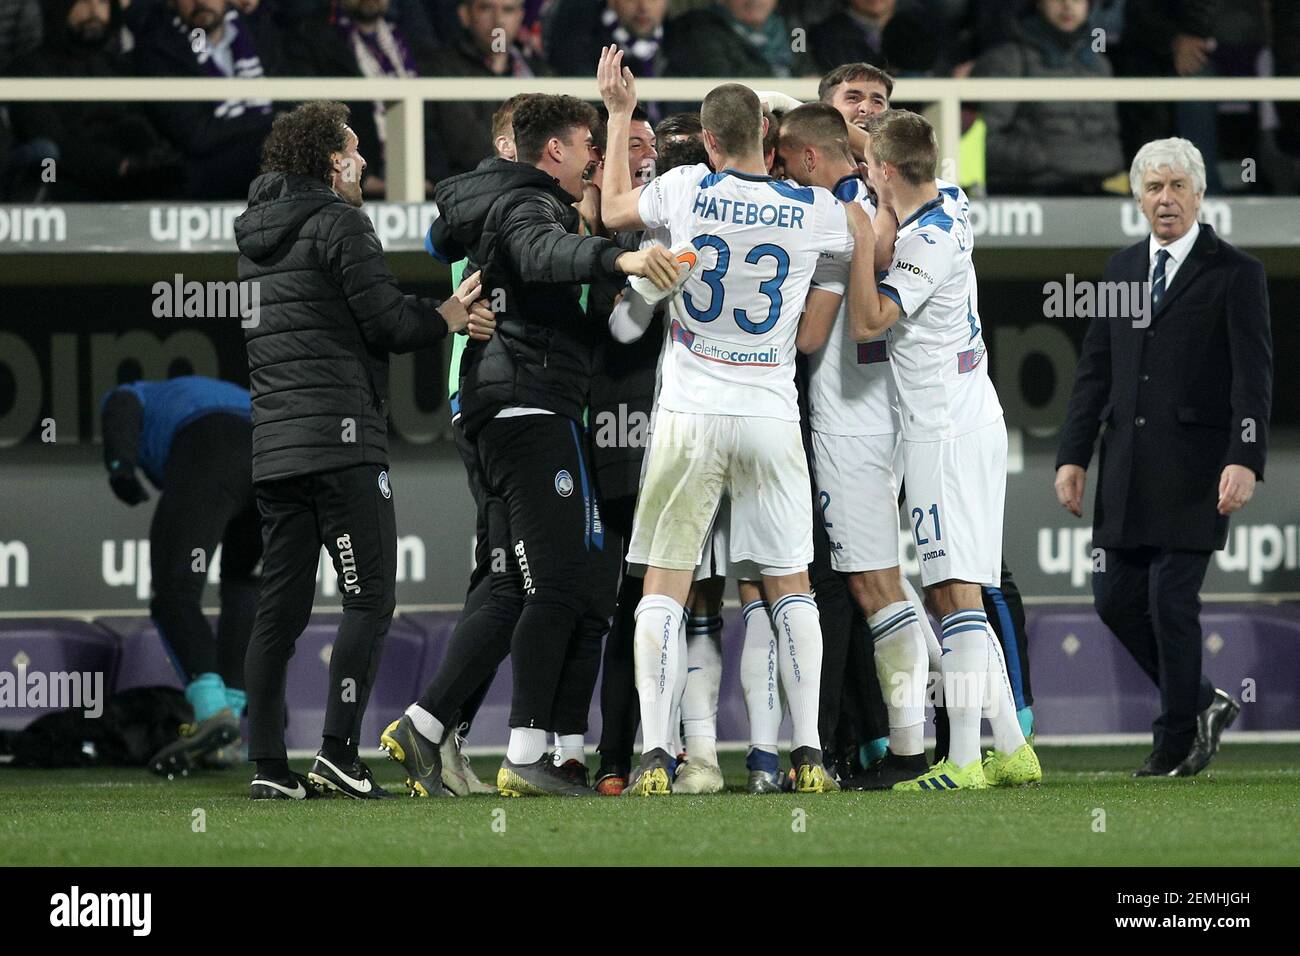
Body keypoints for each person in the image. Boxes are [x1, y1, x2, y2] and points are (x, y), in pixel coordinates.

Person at [383, 92, 678, 798]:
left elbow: (581, 298)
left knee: (517, 584)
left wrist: (642, 279)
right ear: (555, 150)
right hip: (525, 409)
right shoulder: (528, 204)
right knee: (562, 581)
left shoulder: (522, 201)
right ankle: (524, 753)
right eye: (587, 147)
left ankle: (425, 727)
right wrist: (622, 261)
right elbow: (543, 251)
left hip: (514, 405)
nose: (595, 161)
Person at [598, 47, 862, 795]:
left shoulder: (682, 188)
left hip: (691, 415)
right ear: (770, 143)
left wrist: (620, 116)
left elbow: (613, 209)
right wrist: (854, 149)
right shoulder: (814, 210)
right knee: (790, 586)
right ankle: (809, 754)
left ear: (709, 142)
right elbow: (871, 222)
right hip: (771, 411)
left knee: (665, 586)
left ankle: (654, 753)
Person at [234, 101, 496, 801]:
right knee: (369, 599)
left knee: (278, 614)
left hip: (276, 449)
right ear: (329, 161)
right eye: (356, 151)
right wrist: (446, 318)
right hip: (342, 445)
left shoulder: (252, 238)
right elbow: (384, 321)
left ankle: (267, 766)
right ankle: (337, 754)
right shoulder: (339, 221)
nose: (365, 165)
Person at [1055, 137, 1271, 778]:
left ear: (1200, 195)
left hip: (1197, 471)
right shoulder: (1121, 270)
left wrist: (1246, 457)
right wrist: (1074, 455)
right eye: (1154, 188)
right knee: (1114, 601)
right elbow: (1095, 369)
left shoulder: (1237, 272)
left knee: (1171, 604)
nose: (1166, 199)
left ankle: (1174, 741)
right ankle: (1205, 702)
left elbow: (1253, 379)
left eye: (1178, 187)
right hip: (1124, 470)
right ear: (1138, 197)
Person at [845, 108, 1040, 791]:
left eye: (872, 168)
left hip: (942, 430)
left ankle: (961, 761)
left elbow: (872, 320)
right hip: (972, 415)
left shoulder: (927, 240)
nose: (867, 176)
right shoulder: (952, 203)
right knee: (968, 592)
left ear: (891, 173)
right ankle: (1012, 748)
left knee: (951, 594)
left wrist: (863, 230)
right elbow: (908, 172)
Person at [100, 375, 258, 777]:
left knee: (174, 593)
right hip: (270, 457)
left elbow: (121, 405)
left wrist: (121, 467)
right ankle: (231, 727)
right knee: (243, 585)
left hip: (209, 448)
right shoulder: (223, 391)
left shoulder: (140, 393)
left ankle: (211, 710)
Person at [4, 0, 184, 201]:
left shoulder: (118, 66)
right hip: (62, 180)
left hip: (129, 181)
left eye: (101, 2)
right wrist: (117, 165)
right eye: (82, 2)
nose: (93, 12)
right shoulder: (28, 70)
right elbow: (52, 140)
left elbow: (141, 124)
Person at [132, 0, 285, 198]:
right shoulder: (159, 50)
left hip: (267, 162)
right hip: (199, 175)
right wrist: (270, 121)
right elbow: (197, 135)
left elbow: (289, 97)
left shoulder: (259, 31)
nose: (200, 3)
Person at [971, 0, 1126, 195]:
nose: (1068, 5)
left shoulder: (1100, 65)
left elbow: (1112, 143)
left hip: (1096, 192)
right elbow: (985, 142)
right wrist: (1043, 156)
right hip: (1027, 193)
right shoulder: (1008, 59)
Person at [288, 0, 440, 199]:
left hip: (422, 176)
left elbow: (434, 118)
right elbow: (316, 117)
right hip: (354, 185)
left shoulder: (412, 41)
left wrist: (436, 176)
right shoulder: (311, 38)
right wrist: (363, 177)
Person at [425, 0, 550, 180]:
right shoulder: (439, 71)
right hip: (464, 189)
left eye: (508, 10)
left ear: (520, 17)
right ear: (465, 15)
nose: (498, 20)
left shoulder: (539, 72)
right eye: (485, 8)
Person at [663, 0, 806, 79]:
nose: (754, 1)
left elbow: (806, 66)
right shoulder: (700, 28)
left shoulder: (793, 28)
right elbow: (722, 76)